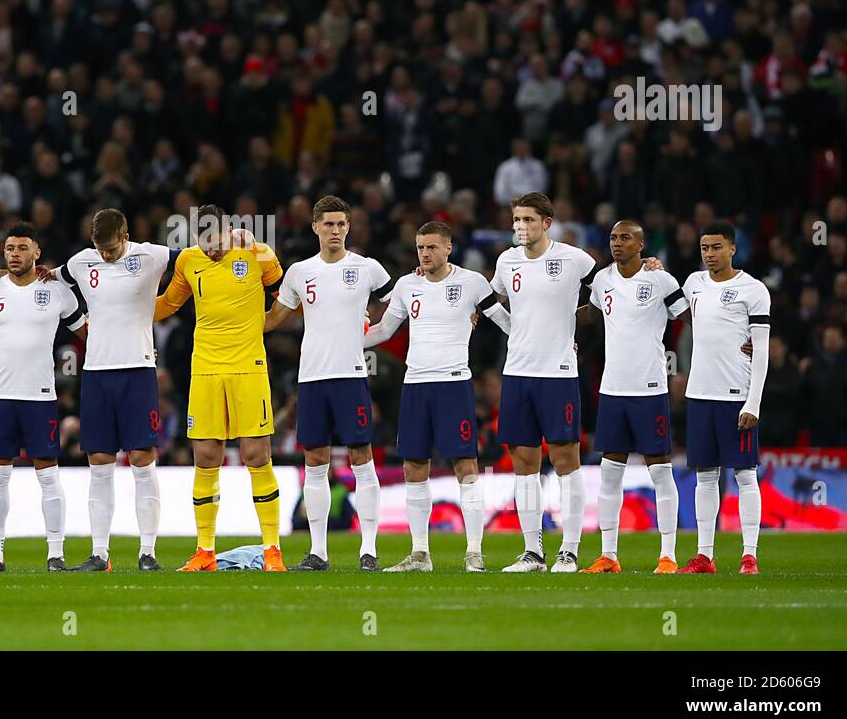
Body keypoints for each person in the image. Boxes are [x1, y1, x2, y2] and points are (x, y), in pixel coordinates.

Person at [0, 208, 169, 572]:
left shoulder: (152, 254)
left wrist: (232, 244)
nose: (107, 255)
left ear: (125, 235)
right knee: (99, 465)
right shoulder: (82, 262)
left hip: (138, 370)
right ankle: (100, 554)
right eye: (101, 249)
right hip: (96, 374)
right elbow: (41, 276)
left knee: (143, 462)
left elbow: (193, 262)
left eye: (112, 249)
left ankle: (148, 552)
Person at [484, 193, 661, 573]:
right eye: (516, 220)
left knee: (566, 459)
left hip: (558, 374)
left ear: (547, 223)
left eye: (528, 220)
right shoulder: (506, 260)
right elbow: (492, 300)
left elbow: (610, 286)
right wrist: (513, 329)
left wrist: (646, 267)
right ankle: (532, 553)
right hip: (517, 373)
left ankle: (569, 550)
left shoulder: (574, 259)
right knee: (523, 462)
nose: (520, 227)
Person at [363, 221, 510, 573]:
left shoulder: (472, 283)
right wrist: (342, 341)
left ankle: (474, 551)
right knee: (414, 466)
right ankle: (419, 554)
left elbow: (504, 319)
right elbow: (384, 329)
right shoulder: (406, 285)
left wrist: (544, 340)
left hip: (454, 384)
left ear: (448, 248)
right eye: (419, 247)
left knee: (465, 465)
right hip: (415, 385)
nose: (425, 253)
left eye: (431, 247)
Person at [153, 204, 287, 573]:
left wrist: (258, 328)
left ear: (230, 230)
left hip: (248, 367)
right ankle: (205, 552)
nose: (212, 250)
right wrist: (120, 312)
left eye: (217, 241)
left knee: (256, 454)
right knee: (206, 457)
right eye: (205, 243)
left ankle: (272, 550)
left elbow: (286, 299)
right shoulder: (188, 262)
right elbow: (168, 304)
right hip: (206, 370)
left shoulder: (259, 253)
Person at [264, 195, 394, 571]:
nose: (335, 231)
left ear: (348, 227)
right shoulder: (300, 272)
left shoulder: (367, 268)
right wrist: (232, 326)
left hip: (351, 376)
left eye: (341, 224)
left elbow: (399, 301)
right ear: (315, 228)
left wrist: (378, 331)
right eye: (328, 224)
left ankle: (368, 549)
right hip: (313, 378)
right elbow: (274, 319)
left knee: (361, 458)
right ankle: (318, 551)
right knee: (315, 461)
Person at [0, 224, 87, 572]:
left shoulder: (57, 291)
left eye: (22, 248)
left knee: (48, 475)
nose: (14, 253)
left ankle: (56, 555)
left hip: (40, 396)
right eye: (9, 248)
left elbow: (87, 331)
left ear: (37, 253)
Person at [580, 220, 688, 575]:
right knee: (610, 474)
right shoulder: (602, 280)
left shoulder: (660, 280)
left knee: (660, 472)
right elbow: (590, 316)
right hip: (612, 390)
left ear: (641, 244)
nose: (617, 243)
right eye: (612, 237)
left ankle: (668, 555)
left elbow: (691, 318)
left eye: (625, 237)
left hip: (650, 390)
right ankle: (608, 555)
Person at [678, 220, 770, 575]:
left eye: (717, 247)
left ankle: (749, 555)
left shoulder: (754, 289)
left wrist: (753, 403)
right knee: (705, 476)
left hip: (736, 395)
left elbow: (760, 351)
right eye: (704, 248)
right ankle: (705, 556)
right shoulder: (694, 284)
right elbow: (671, 307)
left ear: (732, 248)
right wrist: (652, 269)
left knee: (745, 475)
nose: (710, 254)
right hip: (700, 392)